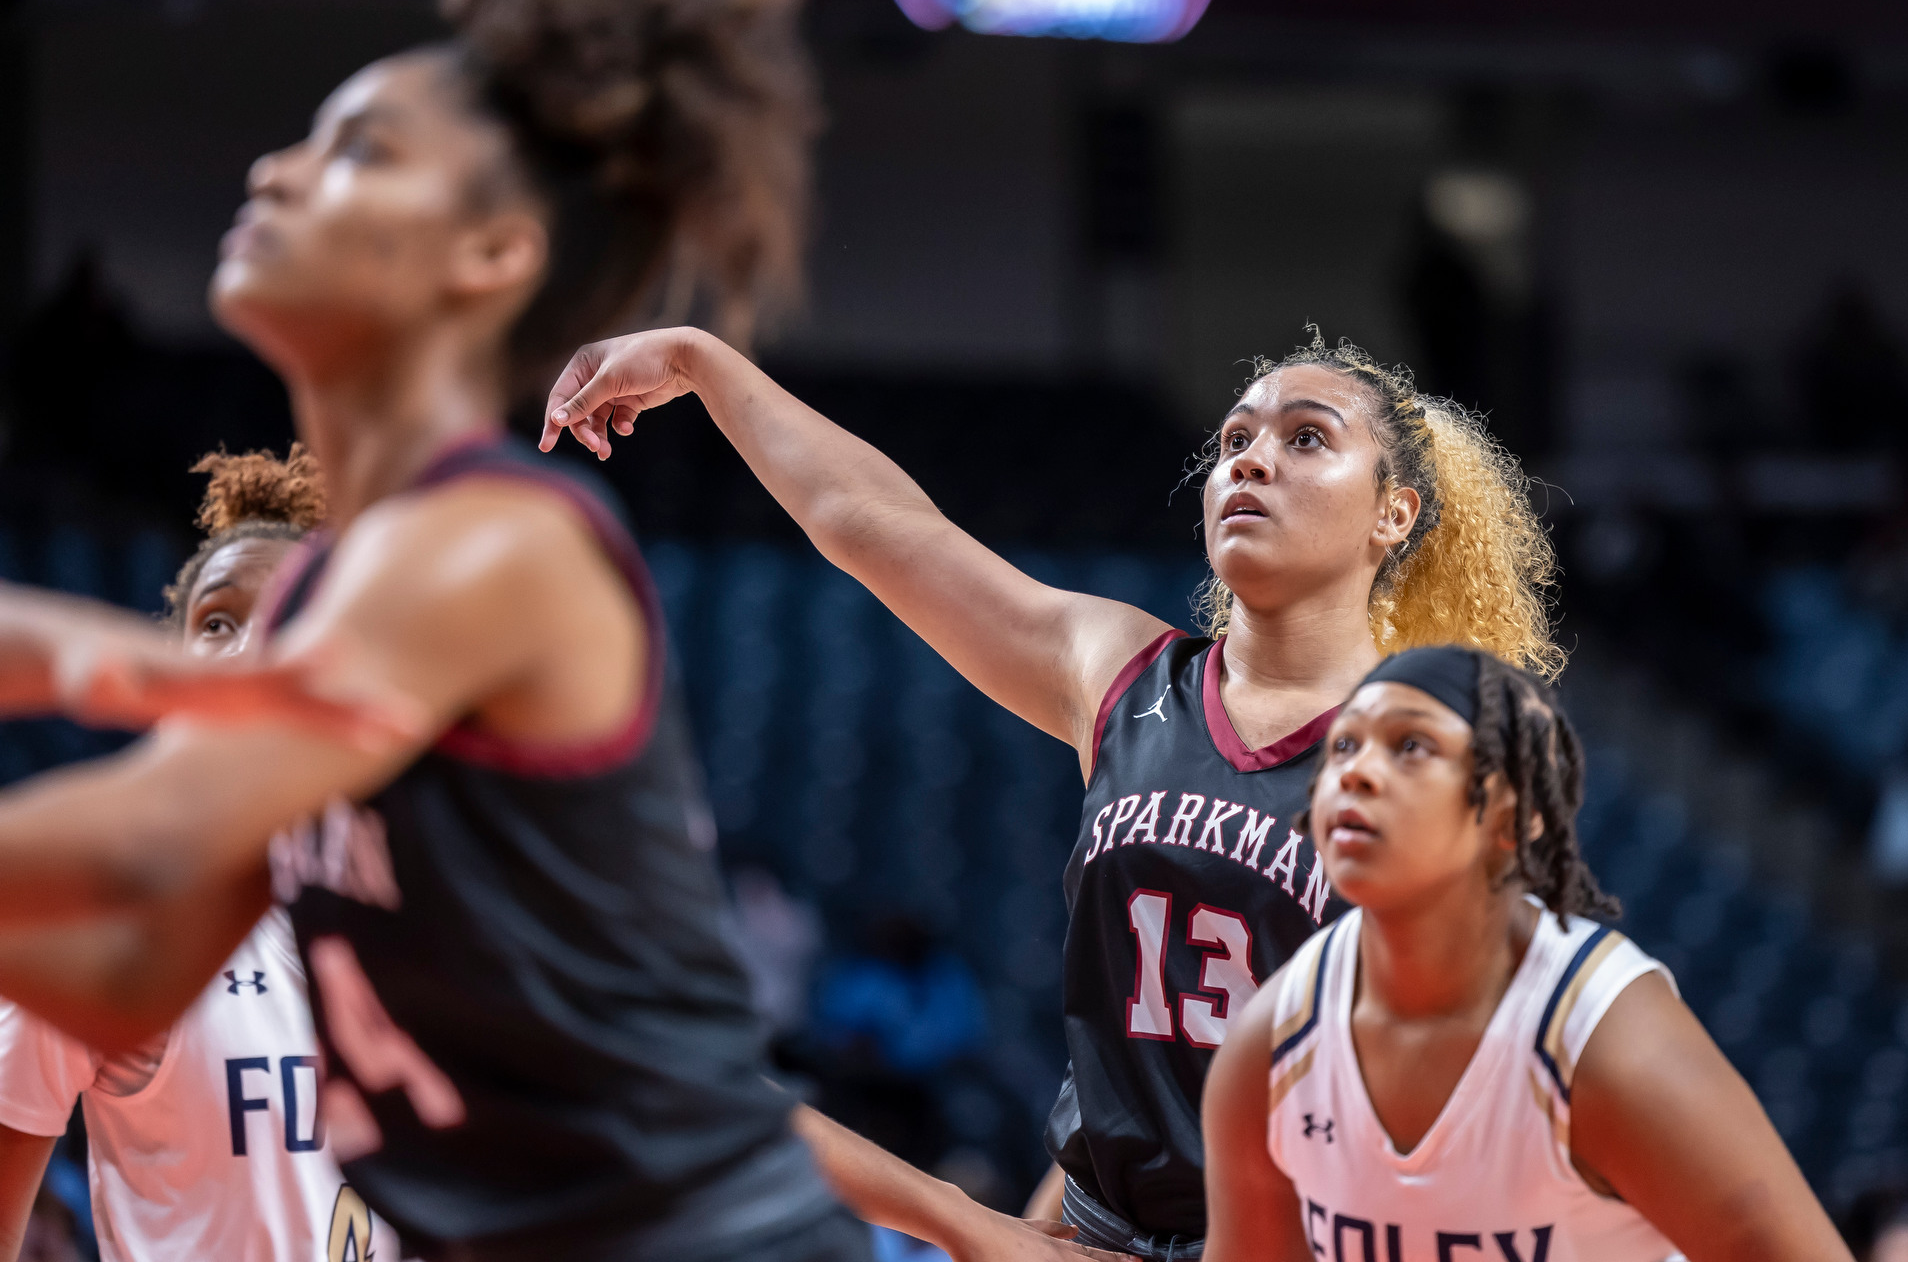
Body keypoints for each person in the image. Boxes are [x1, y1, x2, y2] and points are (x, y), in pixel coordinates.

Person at [0, 0, 1072, 1262]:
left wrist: (969, 1228)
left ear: (493, 252)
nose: (275, 170)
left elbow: (135, 840)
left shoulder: (494, 545)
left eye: (359, 152)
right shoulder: (349, 621)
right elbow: (127, 972)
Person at [539, 325, 1562, 1257]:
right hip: (1099, 1229)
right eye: (1234, 440)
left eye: (1306, 439)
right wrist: (701, 361)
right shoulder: (1124, 674)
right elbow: (871, 521)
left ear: (1393, 512)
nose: (1250, 460)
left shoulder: (1438, 767)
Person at [1199, 646, 1850, 1262]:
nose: (1356, 771)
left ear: (1513, 813)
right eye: (1344, 744)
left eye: (1412, 745)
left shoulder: (1605, 1043)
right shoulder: (1271, 1045)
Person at [0, 445, 412, 1262]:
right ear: (170, 680)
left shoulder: (430, 917)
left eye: (287, 617)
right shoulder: (109, 920)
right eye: (217, 623)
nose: (246, 648)